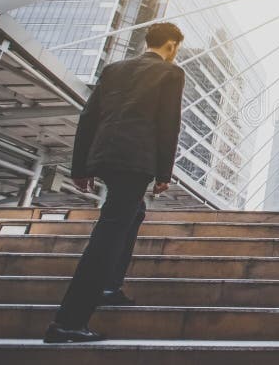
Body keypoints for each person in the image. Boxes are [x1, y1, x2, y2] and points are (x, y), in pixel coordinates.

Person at [44, 22, 186, 343]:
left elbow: (89, 116)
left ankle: (109, 286)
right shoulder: (170, 73)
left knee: (133, 213)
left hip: (104, 155)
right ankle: (68, 321)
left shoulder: (115, 68)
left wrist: (80, 166)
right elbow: (168, 124)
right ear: (173, 45)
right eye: (177, 47)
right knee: (108, 234)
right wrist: (164, 173)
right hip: (135, 160)